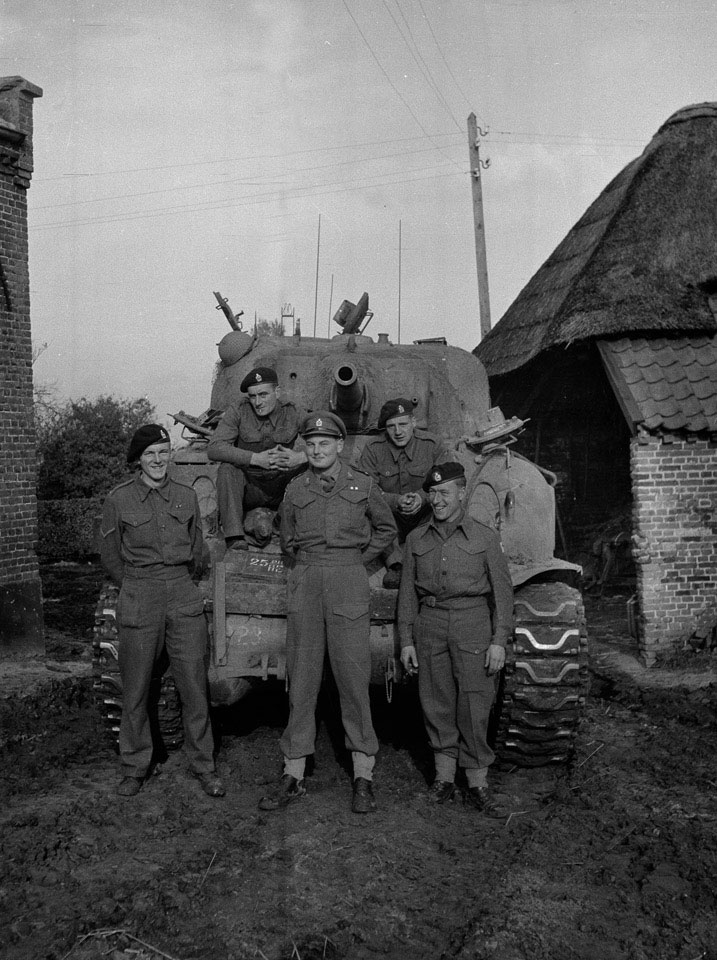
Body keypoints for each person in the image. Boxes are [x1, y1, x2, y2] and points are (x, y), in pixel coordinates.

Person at [259, 411, 397, 815]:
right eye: (311, 444)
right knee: (301, 677)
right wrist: (310, 563)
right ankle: (294, 772)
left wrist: (358, 560)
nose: (317, 450)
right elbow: (287, 539)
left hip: (348, 579)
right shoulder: (295, 488)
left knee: (353, 678)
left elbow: (386, 530)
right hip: (306, 579)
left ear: (340, 446)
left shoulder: (363, 485)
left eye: (325, 443)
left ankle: (363, 773)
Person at [99, 424, 225, 799]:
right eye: (150, 453)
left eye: (163, 451)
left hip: (182, 593)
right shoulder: (118, 500)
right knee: (135, 688)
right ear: (138, 459)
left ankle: (204, 766)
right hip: (140, 591)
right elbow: (109, 554)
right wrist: (136, 585)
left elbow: (197, 548)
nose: (158, 460)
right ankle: (136, 766)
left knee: (194, 687)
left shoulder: (186, 496)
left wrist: (178, 583)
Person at [397, 461, 513, 811]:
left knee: (475, 704)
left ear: (462, 493)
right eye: (432, 493)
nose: (437, 500)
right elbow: (406, 595)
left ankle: (477, 782)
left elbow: (503, 594)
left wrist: (499, 641)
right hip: (430, 623)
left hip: (472, 622)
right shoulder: (416, 539)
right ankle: (444, 778)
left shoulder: (484, 537)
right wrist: (405, 640)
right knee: (436, 702)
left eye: (444, 492)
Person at [207, 366, 307, 550]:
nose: (257, 402)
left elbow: (327, 441)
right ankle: (235, 538)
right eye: (253, 396)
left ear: (277, 392)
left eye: (263, 395)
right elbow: (214, 448)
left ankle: (307, 532)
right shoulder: (239, 410)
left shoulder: (293, 412)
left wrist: (299, 457)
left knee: (311, 467)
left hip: (283, 487)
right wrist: (255, 458)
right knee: (227, 470)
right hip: (250, 487)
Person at [355, 397, 449, 588]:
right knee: (368, 512)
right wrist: (396, 501)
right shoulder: (374, 449)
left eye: (403, 424)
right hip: (391, 520)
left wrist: (422, 498)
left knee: (445, 506)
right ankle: (396, 565)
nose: (398, 432)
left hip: (424, 515)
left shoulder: (432, 445)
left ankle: (425, 562)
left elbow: (446, 482)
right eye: (391, 426)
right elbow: (367, 490)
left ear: (414, 422)